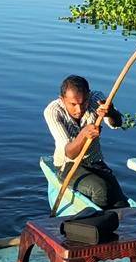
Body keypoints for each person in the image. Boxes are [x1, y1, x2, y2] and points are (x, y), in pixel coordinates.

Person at [43, 74, 130, 209]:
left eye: (83, 103)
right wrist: (83, 134)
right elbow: (70, 153)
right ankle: (98, 219)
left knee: (121, 202)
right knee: (100, 189)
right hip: (68, 165)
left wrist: (111, 112)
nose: (79, 110)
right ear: (62, 99)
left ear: (88, 96)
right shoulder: (53, 111)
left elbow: (117, 123)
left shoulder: (97, 99)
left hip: (95, 162)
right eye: (73, 104)